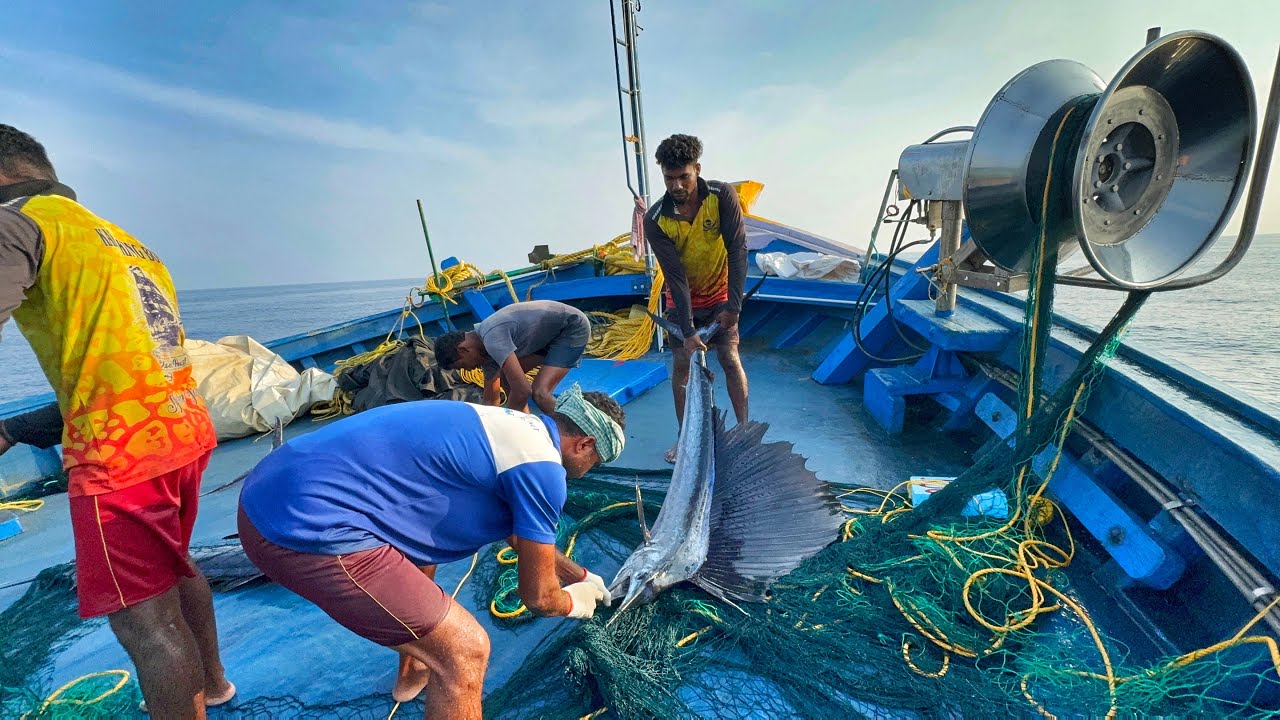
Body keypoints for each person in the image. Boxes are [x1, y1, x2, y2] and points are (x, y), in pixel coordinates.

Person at [0, 125, 232, 717]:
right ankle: (216, 684)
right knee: (177, 568)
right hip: (182, 431)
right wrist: (17, 429)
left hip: (120, 456)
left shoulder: (16, 223)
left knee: (145, 622)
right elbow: (116, 368)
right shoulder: (121, 240)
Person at [236, 386, 624, 719]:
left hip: (266, 489)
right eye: (596, 461)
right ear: (585, 444)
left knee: (428, 546)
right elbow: (538, 598)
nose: (590, 470)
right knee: (466, 651)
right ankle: (433, 660)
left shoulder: (508, 425)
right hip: (300, 527)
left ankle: (413, 668)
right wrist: (574, 603)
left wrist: (580, 576)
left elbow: (516, 532)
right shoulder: (544, 470)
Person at [644, 133, 749, 463]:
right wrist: (688, 331)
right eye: (669, 178)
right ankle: (685, 436)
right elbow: (674, 276)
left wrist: (734, 306)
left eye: (683, 176)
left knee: (730, 359)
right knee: (681, 365)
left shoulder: (722, 195)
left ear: (697, 169)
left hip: (720, 294)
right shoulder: (656, 218)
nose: (677, 185)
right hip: (682, 299)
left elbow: (737, 249)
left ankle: (744, 432)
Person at [435, 299, 592, 415]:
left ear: (463, 350)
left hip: (571, 328)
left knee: (540, 393)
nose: (469, 369)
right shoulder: (485, 351)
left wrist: (510, 426)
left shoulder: (492, 338)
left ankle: (575, 434)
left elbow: (523, 390)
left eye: (462, 366)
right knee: (506, 380)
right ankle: (528, 426)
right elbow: (491, 400)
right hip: (544, 339)